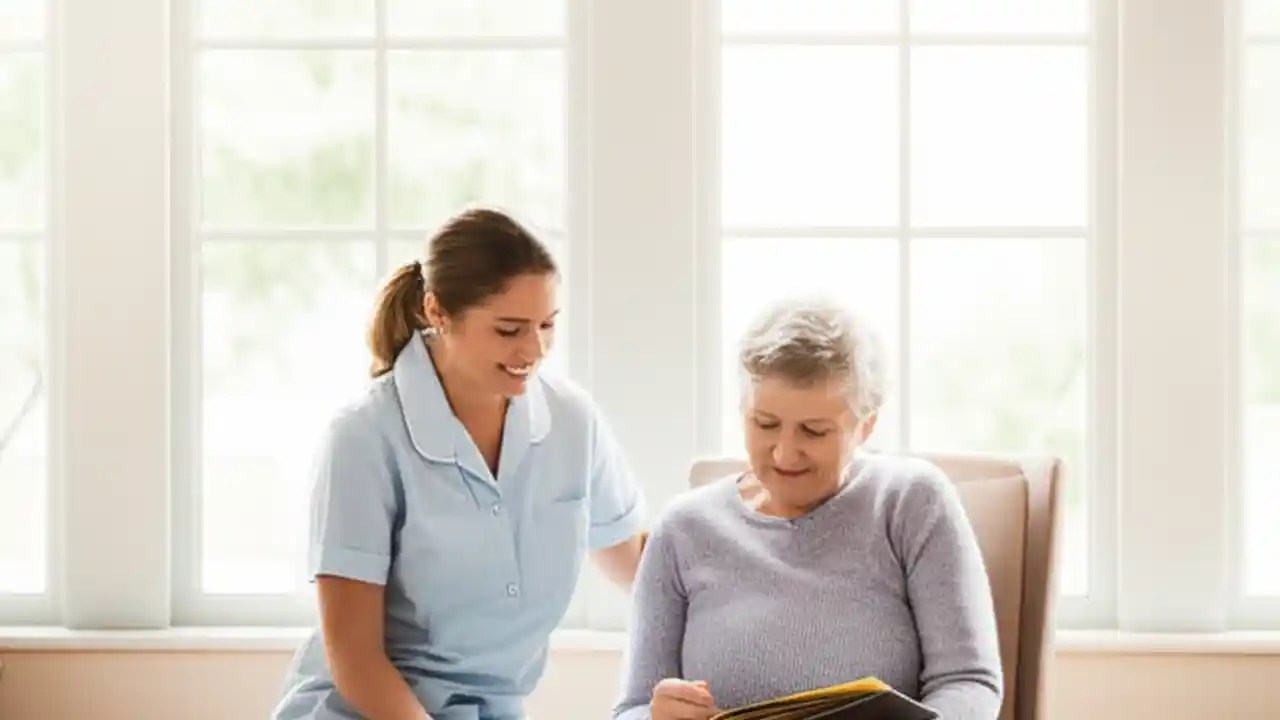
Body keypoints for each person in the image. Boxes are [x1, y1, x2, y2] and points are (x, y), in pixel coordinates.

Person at [274, 208, 647, 720]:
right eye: (509, 329)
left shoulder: (572, 422)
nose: (533, 350)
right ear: (438, 311)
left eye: (547, 325)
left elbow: (636, 561)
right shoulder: (363, 437)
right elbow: (354, 657)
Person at [614, 298, 1002, 720]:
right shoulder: (683, 528)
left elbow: (968, 682)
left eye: (813, 432)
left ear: (865, 426)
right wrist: (655, 717)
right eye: (764, 424)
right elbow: (630, 709)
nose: (784, 453)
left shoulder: (911, 502)